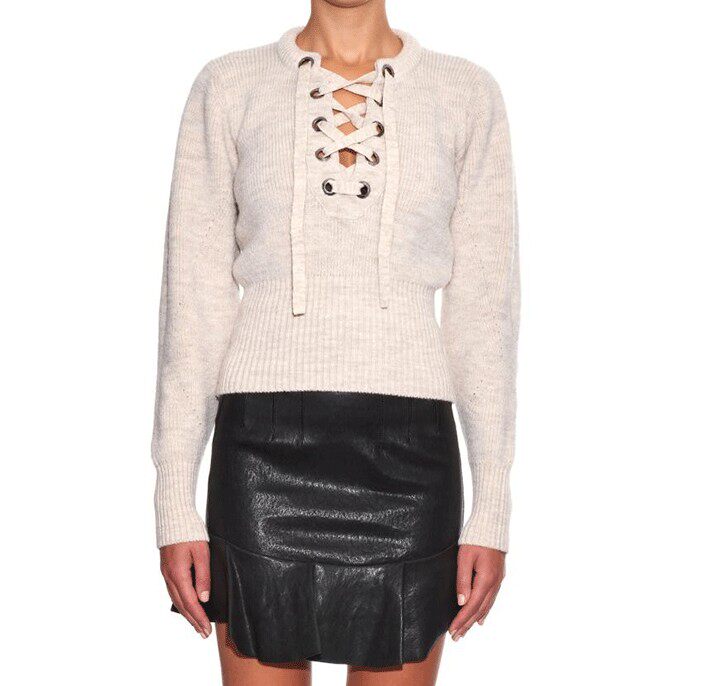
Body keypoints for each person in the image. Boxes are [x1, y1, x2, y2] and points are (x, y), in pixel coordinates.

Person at [152, 1, 519, 684]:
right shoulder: (228, 85)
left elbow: (485, 316)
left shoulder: (466, 94)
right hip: (260, 452)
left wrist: (491, 508)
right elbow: (192, 307)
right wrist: (174, 498)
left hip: (411, 456)